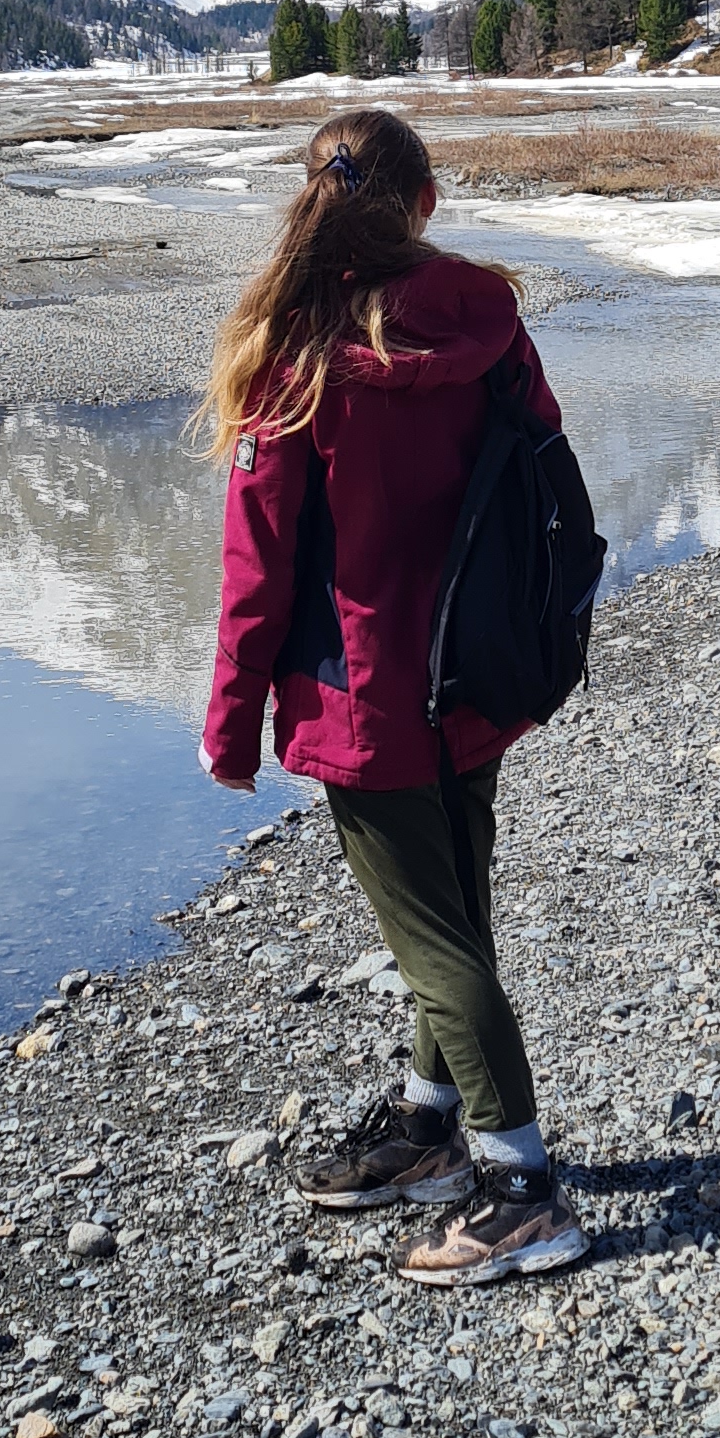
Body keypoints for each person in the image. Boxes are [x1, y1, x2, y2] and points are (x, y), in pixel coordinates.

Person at [196, 105, 587, 1286]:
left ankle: (523, 1188)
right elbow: (544, 458)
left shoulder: (293, 360)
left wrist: (230, 724)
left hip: (364, 697)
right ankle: (428, 1133)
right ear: (422, 207)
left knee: (434, 947)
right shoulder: (487, 319)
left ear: (307, 204)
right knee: (455, 915)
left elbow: (258, 571)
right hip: (481, 671)